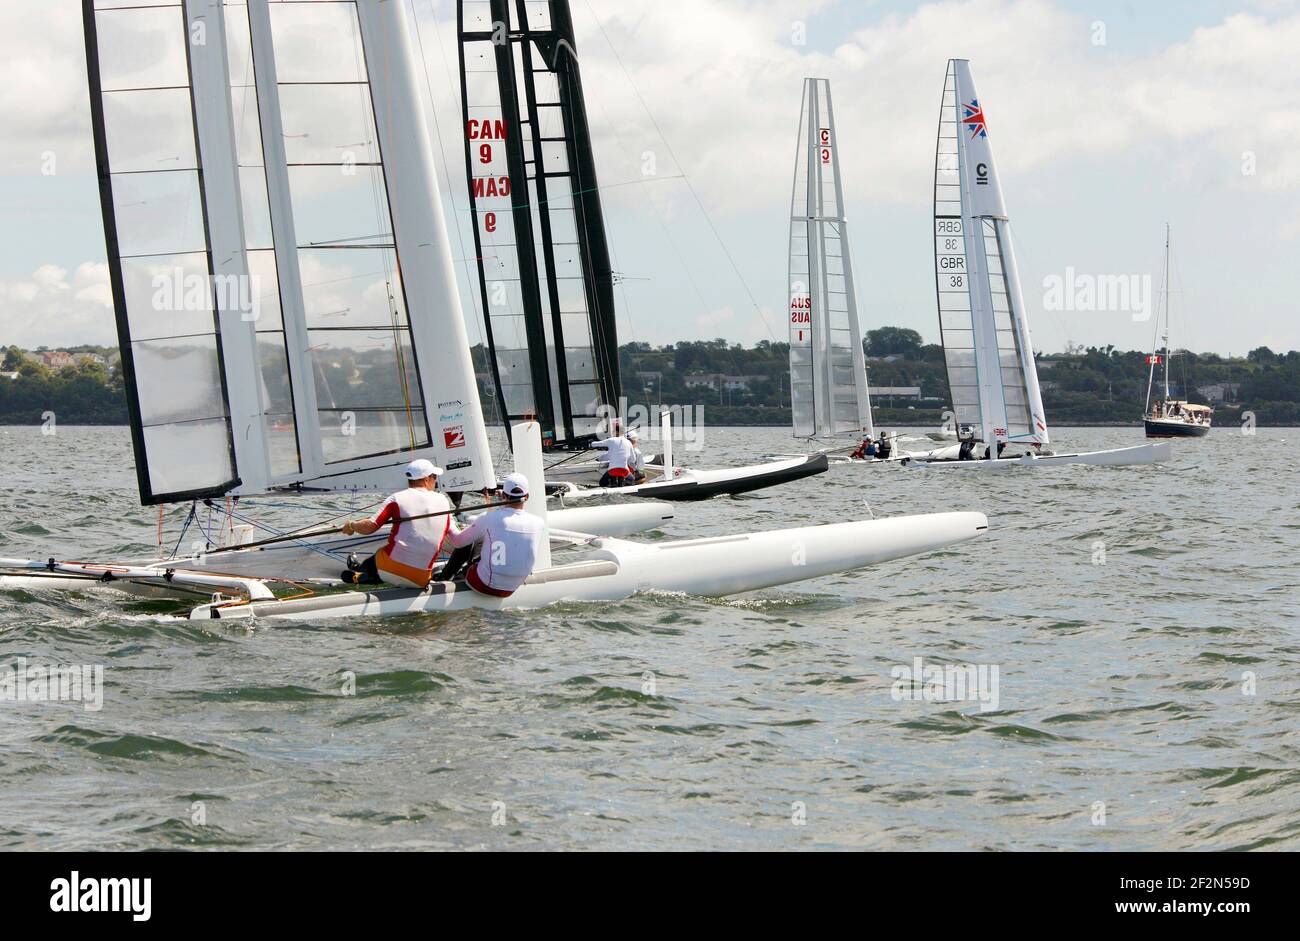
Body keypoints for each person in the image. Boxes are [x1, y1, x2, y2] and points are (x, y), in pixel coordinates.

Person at [340, 459, 453, 588]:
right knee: (388, 559)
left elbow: (370, 527)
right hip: (420, 579)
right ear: (426, 479)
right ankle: (362, 573)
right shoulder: (443, 500)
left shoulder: (396, 499)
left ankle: (359, 574)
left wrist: (351, 525)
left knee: (380, 556)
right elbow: (459, 540)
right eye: (434, 477)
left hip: (389, 569)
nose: (435, 480)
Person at [443, 472, 545, 598]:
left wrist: (449, 521)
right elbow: (508, 519)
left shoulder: (488, 518)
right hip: (514, 587)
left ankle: (445, 578)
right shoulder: (539, 522)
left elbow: (457, 542)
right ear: (527, 496)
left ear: (504, 496)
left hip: (485, 585)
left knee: (472, 540)